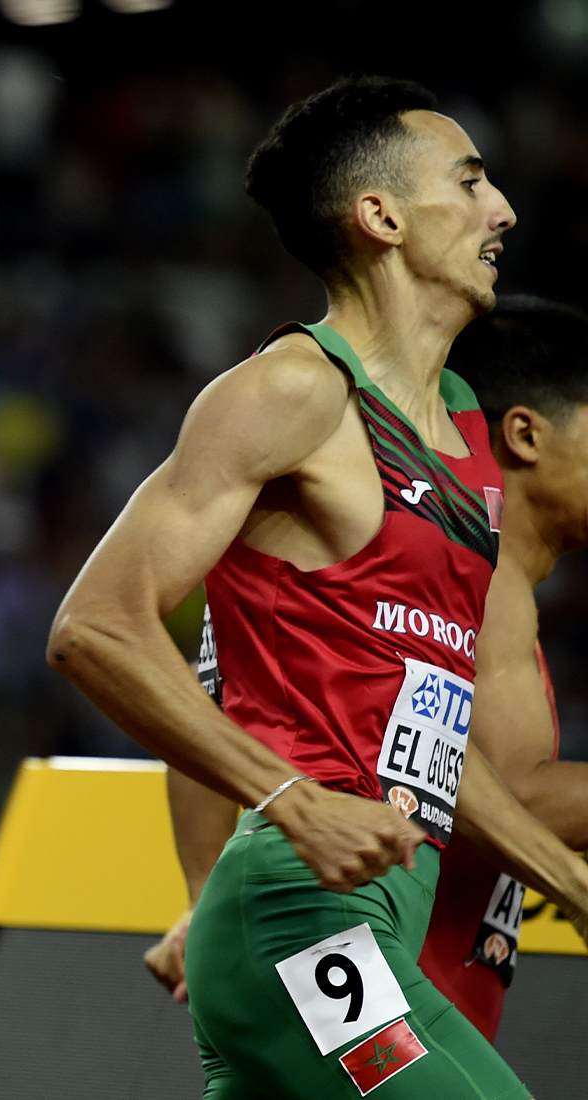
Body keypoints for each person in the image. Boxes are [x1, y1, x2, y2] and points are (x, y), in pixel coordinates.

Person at [47, 77, 588, 1099]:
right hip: (301, 914)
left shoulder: (463, 431)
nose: (502, 210)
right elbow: (96, 628)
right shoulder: (295, 390)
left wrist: (563, 876)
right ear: (379, 216)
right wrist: (284, 803)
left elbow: (416, 725)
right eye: (468, 182)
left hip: (374, 908)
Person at [145, 296, 588, 1044]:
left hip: (341, 967)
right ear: (525, 434)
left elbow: (216, 693)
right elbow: (509, 802)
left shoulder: (434, 575)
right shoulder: (482, 585)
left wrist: (199, 896)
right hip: (362, 967)